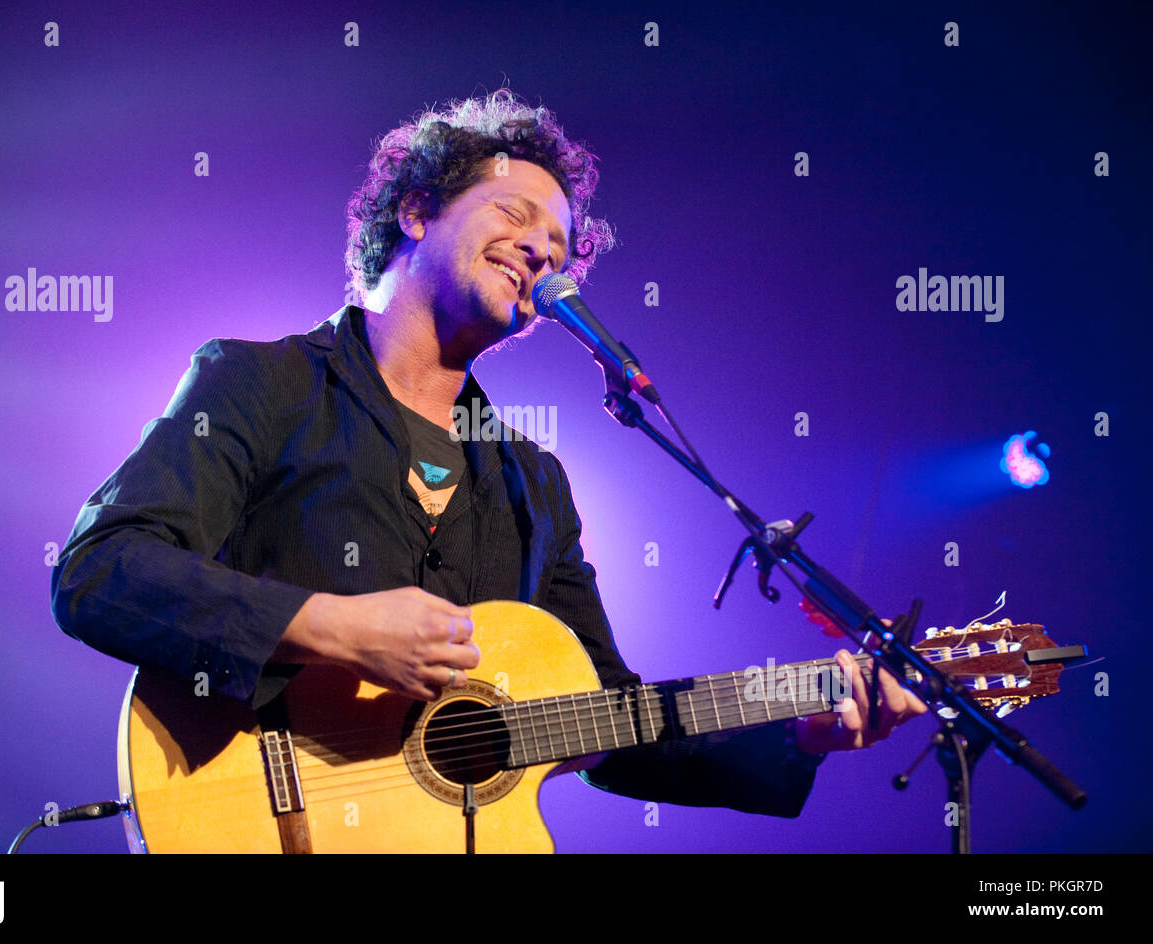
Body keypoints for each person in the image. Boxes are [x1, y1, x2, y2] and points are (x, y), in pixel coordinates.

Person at [50, 89, 924, 835]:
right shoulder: (263, 383)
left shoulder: (532, 485)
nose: (544, 248)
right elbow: (101, 571)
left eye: (561, 242)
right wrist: (330, 627)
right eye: (516, 213)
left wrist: (797, 729)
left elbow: (611, 726)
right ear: (417, 209)